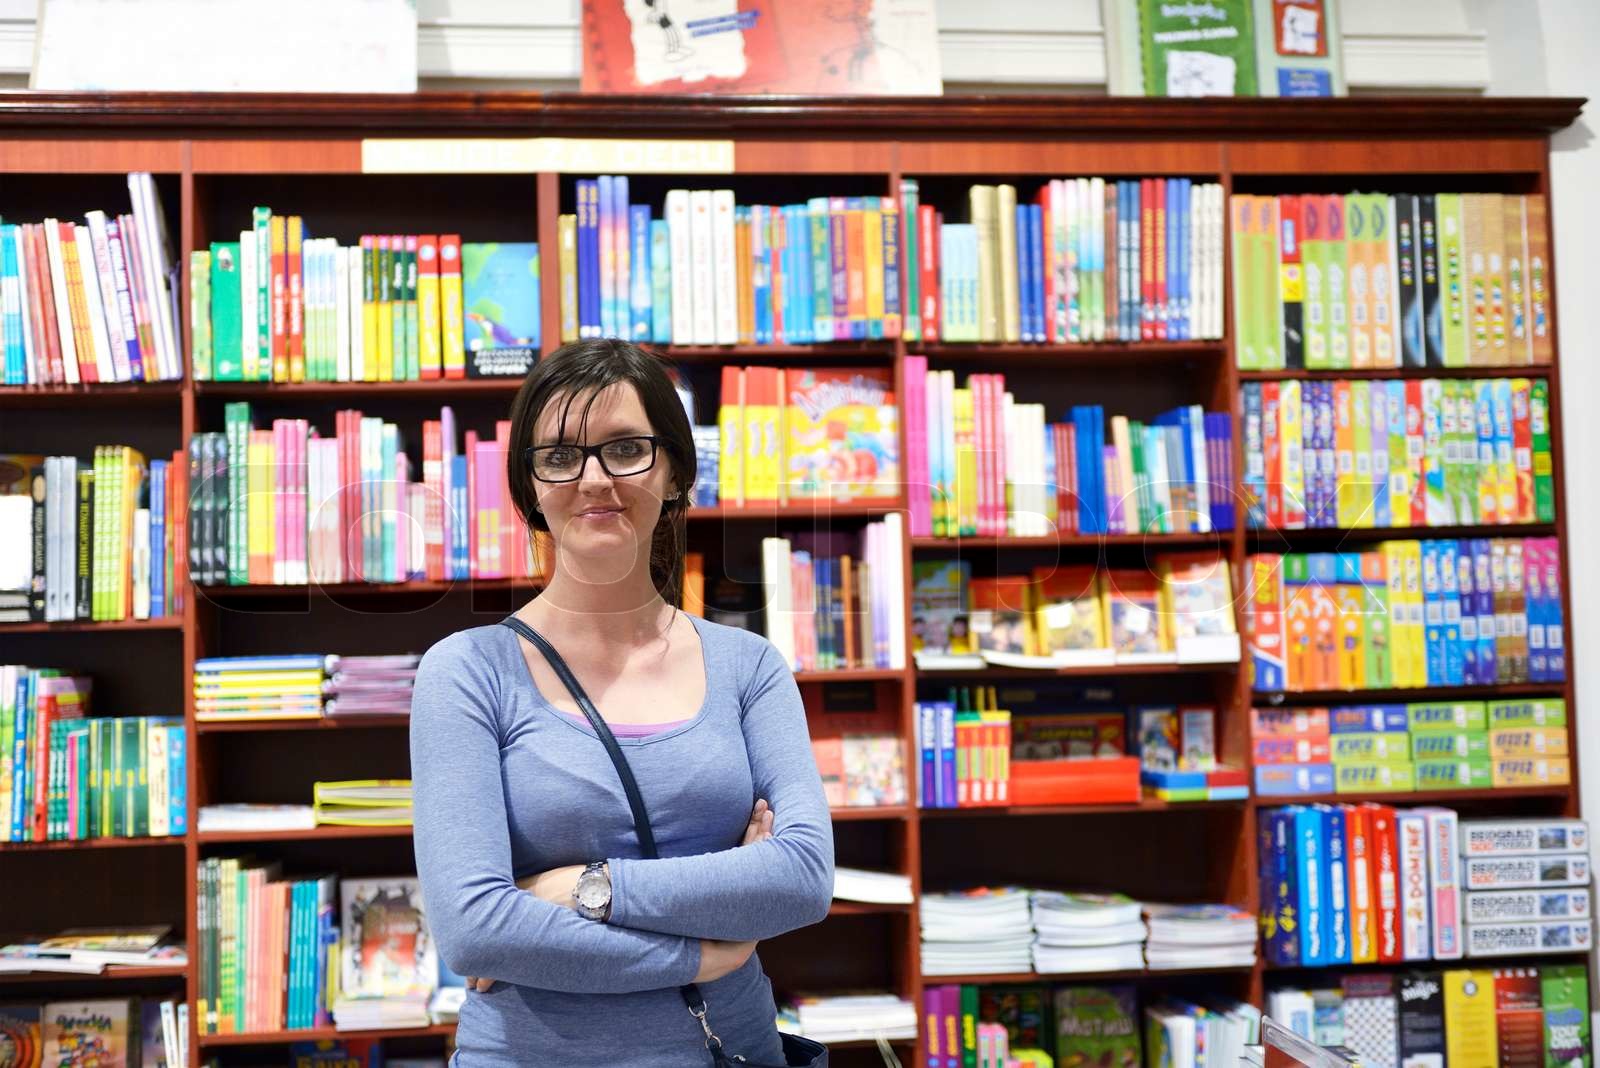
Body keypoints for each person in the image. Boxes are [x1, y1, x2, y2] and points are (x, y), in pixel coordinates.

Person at [410, 339, 836, 1067]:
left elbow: (800, 877)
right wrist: (703, 954)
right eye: (560, 457)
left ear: (673, 471)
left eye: (626, 449)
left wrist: (582, 887)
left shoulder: (749, 667)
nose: (594, 479)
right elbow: (476, 929)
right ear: (531, 488)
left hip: (728, 1052)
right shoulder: (466, 673)